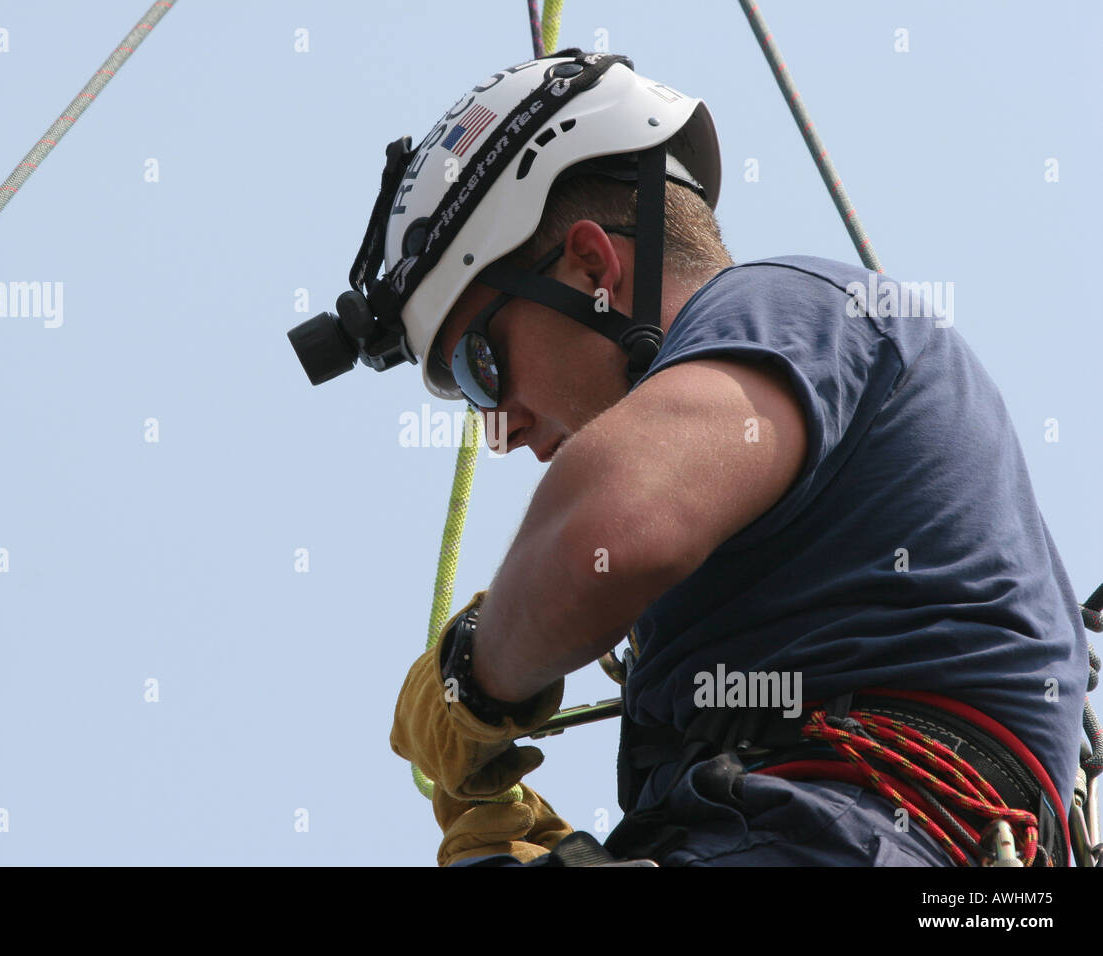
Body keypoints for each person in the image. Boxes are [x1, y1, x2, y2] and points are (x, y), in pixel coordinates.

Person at [345, 50, 1088, 867]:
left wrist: (471, 673)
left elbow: (608, 537)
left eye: (480, 367)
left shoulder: (788, 310)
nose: (504, 427)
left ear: (593, 268)